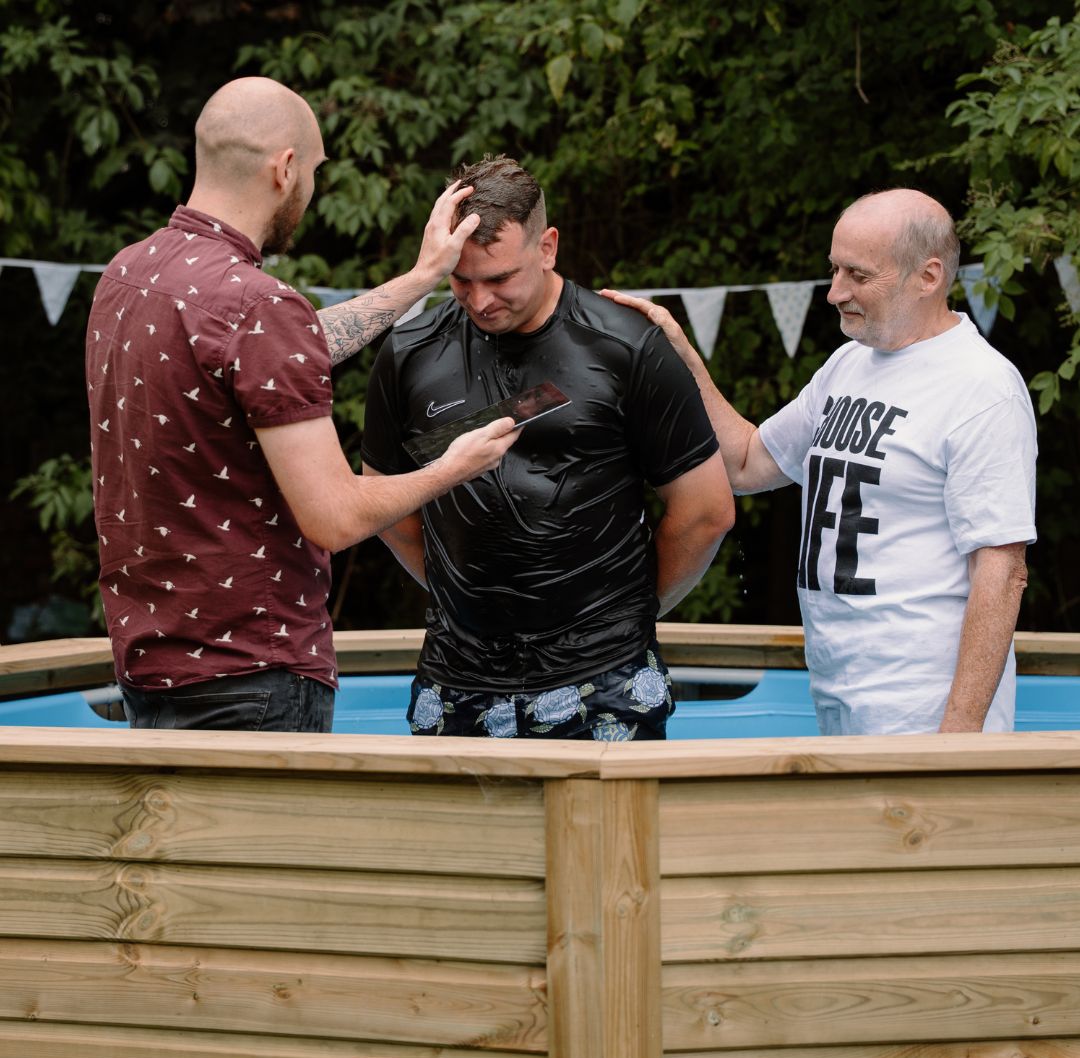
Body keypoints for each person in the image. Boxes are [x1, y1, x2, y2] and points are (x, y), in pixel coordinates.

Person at [85, 77, 519, 732]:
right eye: (314, 171)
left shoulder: (129, 275)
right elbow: (336, 518)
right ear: (285, 169)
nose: (311, 190)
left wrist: (421, 278)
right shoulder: (256, 304)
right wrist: (454, 466)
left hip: (150, 667)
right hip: (252, 677)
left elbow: (280, 348)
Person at [605, 188, 1038, 735]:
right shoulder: (849, 363)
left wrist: (959, 734)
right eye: (834, 269)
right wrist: (681, 355)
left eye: (858, 275)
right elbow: (746, 462)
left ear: (928, 277)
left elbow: (1002, 570)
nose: (835, 292)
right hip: (837, 688)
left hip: (925, 705)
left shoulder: (983, 387)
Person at [361, 155, 734, 741]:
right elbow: (382, 501)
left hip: (605, 672)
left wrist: (622, 615)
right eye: (460, 279)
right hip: (459, 672)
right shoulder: (410, 352)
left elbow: (706, 511)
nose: (480, 300)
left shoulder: (626, 346)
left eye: (500, 278)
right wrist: (464, 599)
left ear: (547, 247)